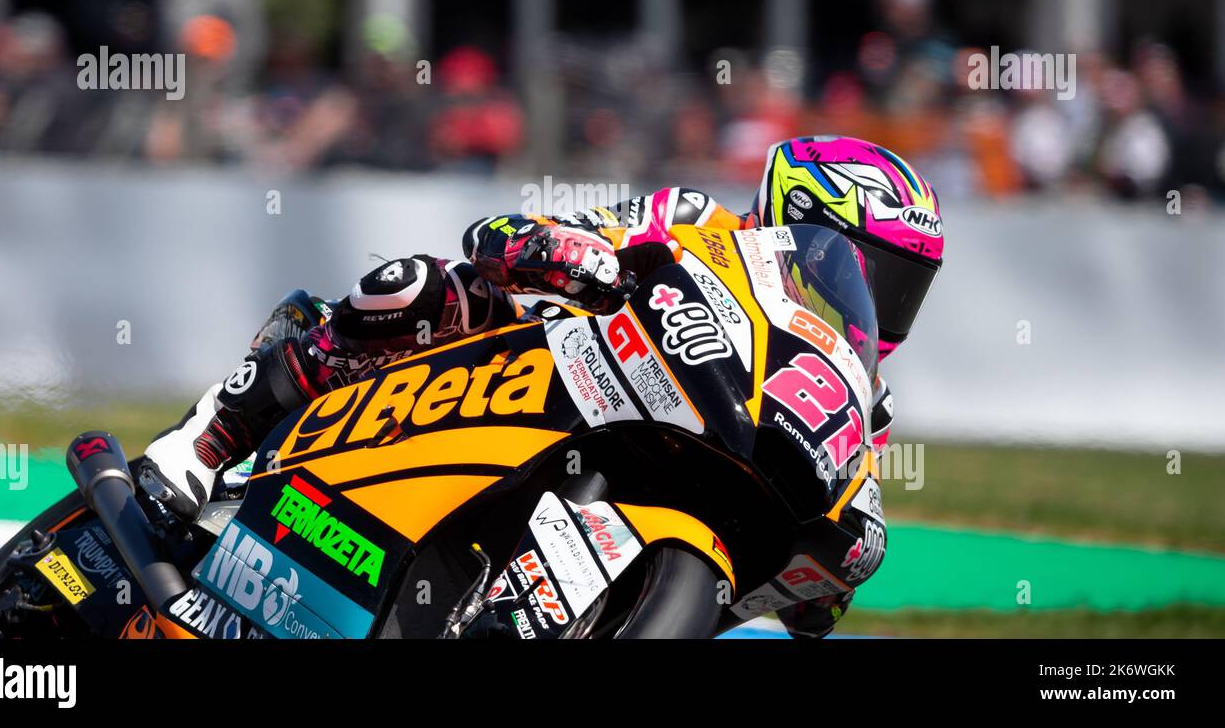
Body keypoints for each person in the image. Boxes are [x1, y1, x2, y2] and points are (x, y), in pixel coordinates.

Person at [141, 134, 943, 637]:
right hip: (549, 369)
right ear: (798, 214)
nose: (881, 297)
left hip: (686, 474)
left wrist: (834, 565)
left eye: (905, 284)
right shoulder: (700, 221)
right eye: (878, 268)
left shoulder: (862, 397)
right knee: (416, 287)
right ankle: (215, 433)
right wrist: (555, 249)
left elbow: (823, 579)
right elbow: (520, 235)